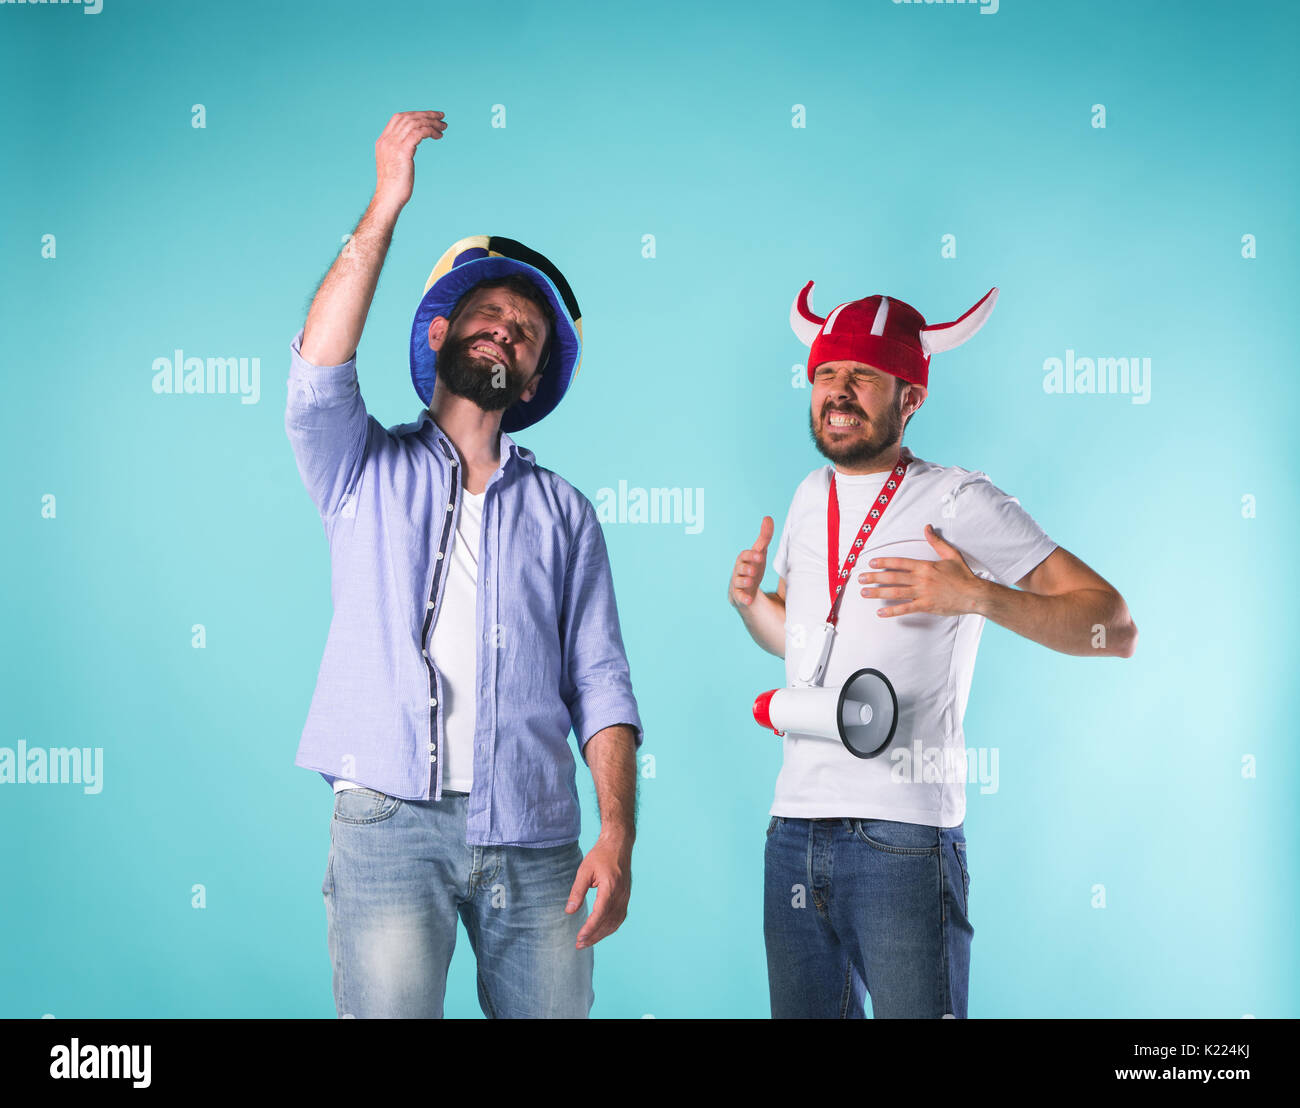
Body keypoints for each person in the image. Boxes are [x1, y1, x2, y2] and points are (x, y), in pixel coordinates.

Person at [284, 111, 642, 1018]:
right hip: (388, 822)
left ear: (531, 383)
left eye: (526, 333)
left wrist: (618, 834)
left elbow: (600, 683)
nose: (508, 332)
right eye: (490, 314)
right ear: (442, 331)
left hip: (536, 836)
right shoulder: (358, 466)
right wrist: (386, 205)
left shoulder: (567, 514)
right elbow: (320, 363)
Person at [729, 281, 1137, 1018]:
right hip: (792, 831)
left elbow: (1113, 624)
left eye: (862, 376)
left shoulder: (958, 500)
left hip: (904, 840)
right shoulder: (804, 496)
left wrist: (977, 596)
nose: (838, 392)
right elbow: (799, 650)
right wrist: (753, 605)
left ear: (910, 396)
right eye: (826, 374)